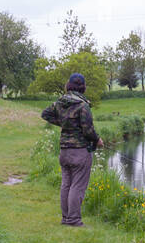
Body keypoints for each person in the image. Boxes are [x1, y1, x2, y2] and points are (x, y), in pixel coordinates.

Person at [41, 73, 104, 227]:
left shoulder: (59, 103)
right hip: (80, 151)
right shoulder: (83, 105)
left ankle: (66, 218)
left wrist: (64, 123)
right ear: (83, 87)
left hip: (64, 151)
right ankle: (74, 220)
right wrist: (98, 140)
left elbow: (45, 114)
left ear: (68, 85)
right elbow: (88, 130)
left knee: (66, 184)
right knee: (77, 185)